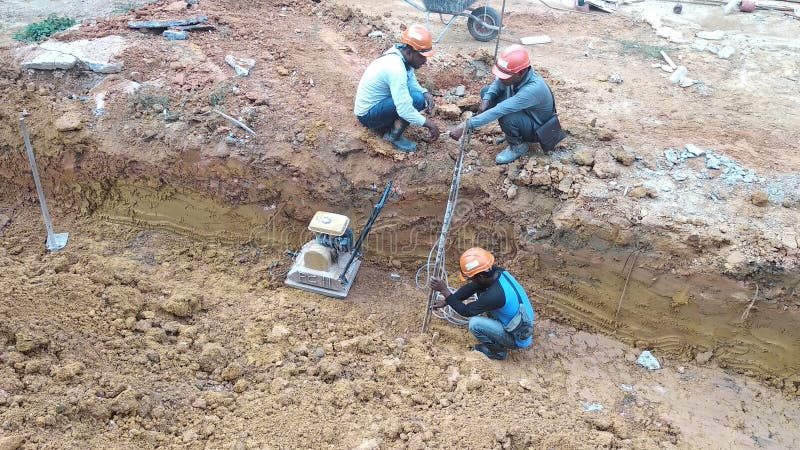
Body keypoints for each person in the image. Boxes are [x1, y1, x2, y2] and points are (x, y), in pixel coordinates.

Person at [448, 44, 558, 164]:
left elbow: (500, 110)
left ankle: (518, 146)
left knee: (506, 116)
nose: (500, 78)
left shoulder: (533, 89)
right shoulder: (516, 75)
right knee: (486, 92)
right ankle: (513, 133)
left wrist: (466, 125)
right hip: (526, 114)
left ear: (521, 72)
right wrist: (486, 100)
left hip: (538, 130)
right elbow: (497, 83)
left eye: (505, 76)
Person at [429, 247, 534, 360]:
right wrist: (446, 301)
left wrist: (444, 290)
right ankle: (497, 327)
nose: (471, 280)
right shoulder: (497, 273)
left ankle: (498, 352)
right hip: (522, 320)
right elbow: (473, 287)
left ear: (480, 276)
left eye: (471, 278)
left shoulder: (495, 295)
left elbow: (466, 311)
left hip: (517, 337)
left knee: (475, 324)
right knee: (481, 291)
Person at [354, 24, 442, 153]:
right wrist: (429, 124)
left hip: (374, 107)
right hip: (368, 116)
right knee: (417, 100)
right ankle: (392, 137)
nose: (425, 61)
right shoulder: (396, 68)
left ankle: (388, 124)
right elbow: (404, 109)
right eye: (422, 56)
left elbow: (411, 80)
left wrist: (424, 92)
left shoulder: (400, 55)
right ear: (409, 52)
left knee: (418, 96)